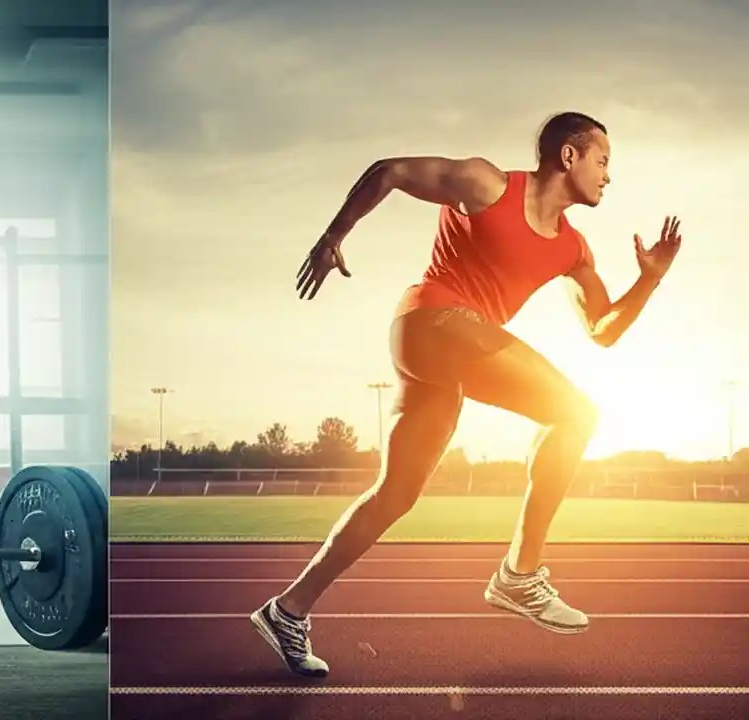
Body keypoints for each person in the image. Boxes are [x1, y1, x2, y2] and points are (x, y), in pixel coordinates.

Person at [251, 112, 683, 678]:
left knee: (397, 493)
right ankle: (519, 575)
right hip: (431, 320)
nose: (609, 176)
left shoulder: (574, 251)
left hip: (442, 357)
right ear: (569, 157)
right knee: (576, 413)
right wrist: (334, 235)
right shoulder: (488, 185)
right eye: (603, 161)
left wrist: (649, 279)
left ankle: (288, 609)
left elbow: (602, 330)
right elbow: (391, 171)